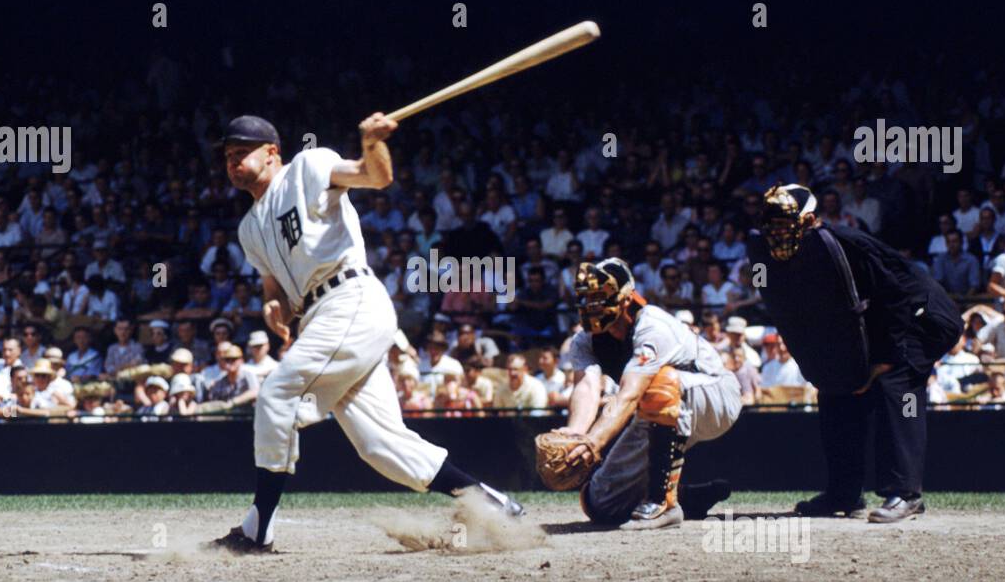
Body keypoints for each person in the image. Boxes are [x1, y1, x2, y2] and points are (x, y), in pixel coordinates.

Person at [208, 113, 522, 555]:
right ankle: (494, 505)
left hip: (350, 298)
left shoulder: (308, 167)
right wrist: (273, 308)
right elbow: (273, 290)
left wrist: (373, 142)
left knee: (277, 394)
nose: (233, 161)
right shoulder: (248, 228)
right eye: (228, 155)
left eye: (242, 151)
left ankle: (258, 527)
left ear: (272, 152)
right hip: (323, 317)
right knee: (381, 446)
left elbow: (376, 176)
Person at [749, 185, 961, 523]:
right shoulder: (778, 258)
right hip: (873, 325)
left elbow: (896, 297)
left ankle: (905, 494)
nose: (776, 230)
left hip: (920, 318)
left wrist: (884, 360)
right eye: (770, 222)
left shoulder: (847, 245)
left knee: (897, 386)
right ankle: (844, 493)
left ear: (810, 220)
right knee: (836, 392)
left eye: (783, 222)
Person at [557, 258, 740, 529]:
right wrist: (575, 437)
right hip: (658, 406)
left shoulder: (652, 325)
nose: (592, 307)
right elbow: (586, 386)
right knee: (600, 504)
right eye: (587, 299)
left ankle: (663, 503)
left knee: (660, 383)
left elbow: (630, 394)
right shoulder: (584, 340)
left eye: (600, 298)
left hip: (715, 395)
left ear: (626, 299)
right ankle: (689, 499)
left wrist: (592, 443)